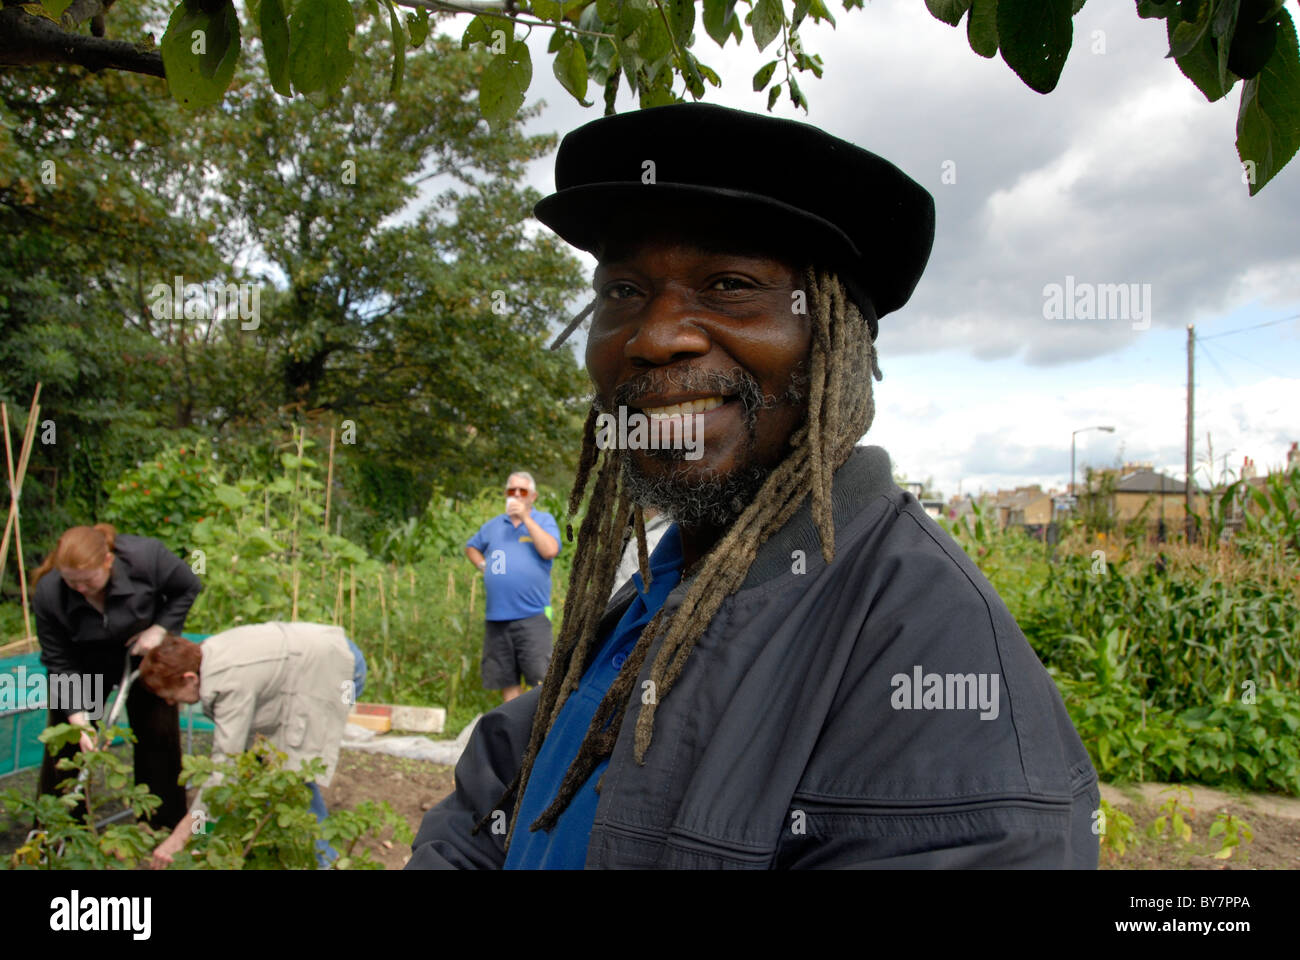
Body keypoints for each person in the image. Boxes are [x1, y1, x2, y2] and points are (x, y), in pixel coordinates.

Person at [409, 102, 1100, 870]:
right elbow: (501, 782)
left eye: (730, 284)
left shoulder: (930, 654)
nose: (655, 335)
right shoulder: (664, 585)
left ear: (833, 339)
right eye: (624, 292)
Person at [138, 622, 366, 868]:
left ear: (190, 678)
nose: (171, 703)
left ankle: (324, 862)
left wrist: (180, 838)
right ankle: (271, 849)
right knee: (263, 766)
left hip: (342, 671)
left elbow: (223, 774)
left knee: (291, 777)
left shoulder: (230, 683)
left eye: (170, 695)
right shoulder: (206, 657)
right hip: (314, 660)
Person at [32, 523, 200, 830]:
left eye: (87, 581)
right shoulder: (49, 593)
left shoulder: (147, 557)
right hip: (83, 666)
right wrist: (79, 722)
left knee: (158, 737)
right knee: (67, 744)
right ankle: (59, 832)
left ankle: (159, 828)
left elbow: (188, 586)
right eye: (72, 582)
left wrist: (159, 629)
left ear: (108, 562)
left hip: (143, 656)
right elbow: (59, 661)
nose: (80, 589)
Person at [465, 472, 562, 702]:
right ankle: (514, 733)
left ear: (533, 496)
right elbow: (471, 546)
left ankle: (539, 733)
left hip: (532, 616)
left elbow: (550, 550)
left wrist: (526, 519)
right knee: (506, 681)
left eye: (522, 491)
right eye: (512, 490)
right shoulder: (493, 526)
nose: (516, 495)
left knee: (540, 680)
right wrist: (481, 565)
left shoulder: (543, 520)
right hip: (497, 616)